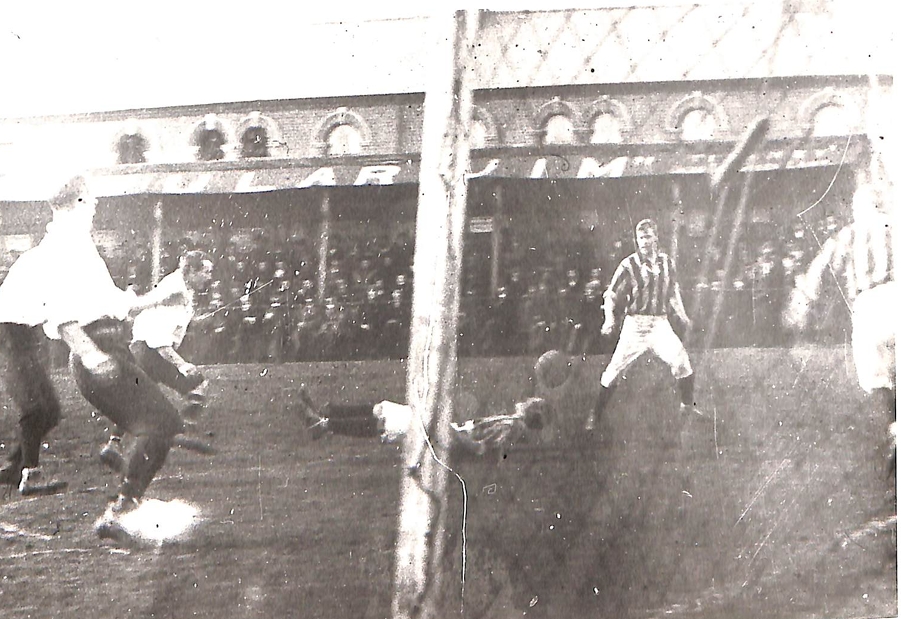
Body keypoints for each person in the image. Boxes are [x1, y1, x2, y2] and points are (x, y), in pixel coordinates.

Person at [0, 174, 196, 540]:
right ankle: (121, 507)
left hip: (107, 347)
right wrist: (90, 355)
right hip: (97, 351)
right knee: (161, 421)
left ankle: (124, 501)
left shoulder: (78, 245)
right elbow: (61, 314)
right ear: (70, 204)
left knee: (161, 423)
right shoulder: (62, 249)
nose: (94, 208)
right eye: (89, 201)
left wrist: (160, 296)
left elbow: (115, 304)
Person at [784, 182, 896, 475]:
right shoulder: (895, 225)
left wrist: (802, 304)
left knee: (877, 379)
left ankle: (894, 426)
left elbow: (819, 269)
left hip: (869, 307)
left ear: (859, 207)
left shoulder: (848, 234)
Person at [98, 249, 215, 472]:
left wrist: (197, 320)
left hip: (142, 349)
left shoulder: (180, 287)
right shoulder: (176, 290)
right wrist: (181, 364)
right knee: (197, 383)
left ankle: (114, 443)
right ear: (191, 271)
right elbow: (161, 342)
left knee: (134, 400)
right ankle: (182, 430)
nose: (209, 277)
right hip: (150, 352)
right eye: (206, 272)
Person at [585, 218, 700, 432]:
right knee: (614, 372)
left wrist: (683, 317)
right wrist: (609, 319)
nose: (644, 242)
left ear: (656, 237)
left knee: (682, 361)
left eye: (647, 237)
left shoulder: (667, 262)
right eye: (640, 238)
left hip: (659, 324)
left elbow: (672, 291)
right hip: (635, 326)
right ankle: (595, 414)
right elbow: (610, 294)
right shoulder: (628, 265)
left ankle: (686, 406)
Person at [294, 388, 548, 459]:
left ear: (530, 412)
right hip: (448, 430)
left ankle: (326, 424)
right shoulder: (513, 423)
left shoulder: (513, 428)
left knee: (385, 422)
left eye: (530, 403)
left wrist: (451, 434)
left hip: (443, 436)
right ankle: (325, 418)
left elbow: (480, 448)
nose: (524, 402)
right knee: (382, 410)